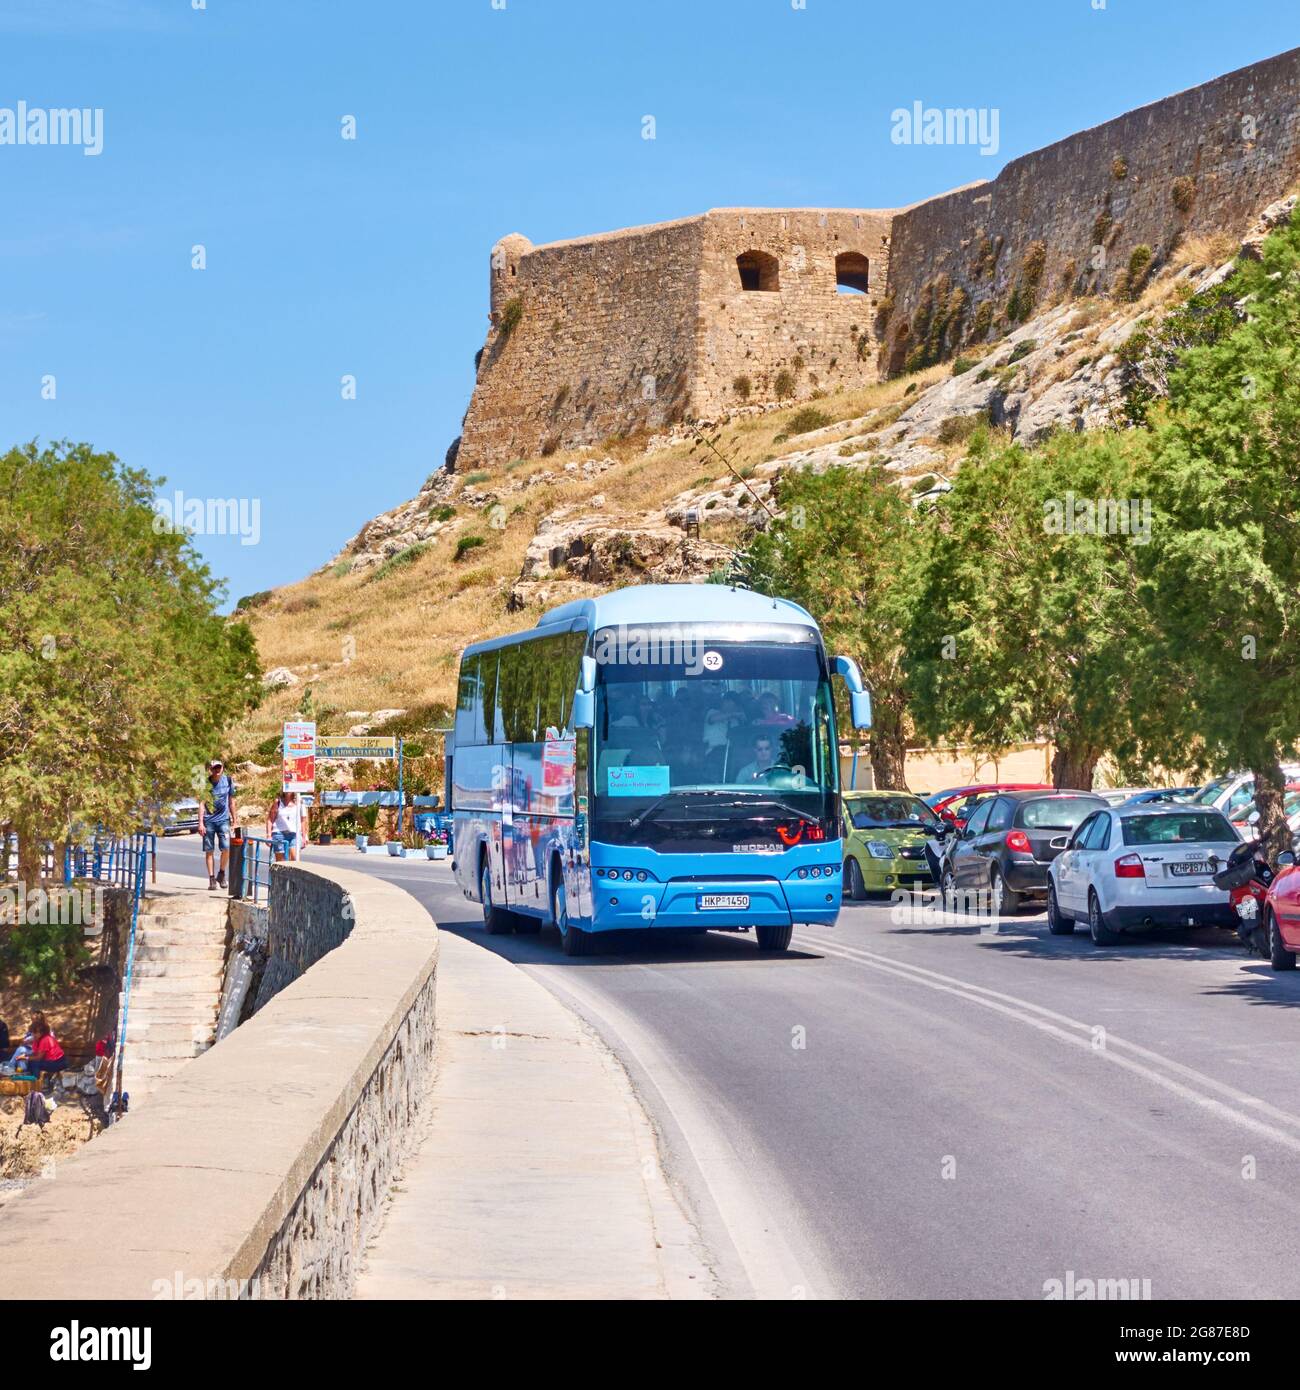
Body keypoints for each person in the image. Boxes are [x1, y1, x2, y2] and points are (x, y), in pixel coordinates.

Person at [199, 759, 238, 891]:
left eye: (219, 767)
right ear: (211, 769)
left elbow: (232, 802)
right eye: (215, 768)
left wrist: (235, 821)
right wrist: (200, 823)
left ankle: (221, 874)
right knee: (209, 850)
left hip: (223, 820)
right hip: (209, 821)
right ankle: (211, 879)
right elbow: (202, 804)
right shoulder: (206, 784)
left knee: (226, 848)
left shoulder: (228, 781)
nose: (217, 770)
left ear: (222, 768)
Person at [267, 789, 308, 862]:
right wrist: (269, 835)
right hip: (279, 833)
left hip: (294, 834)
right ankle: (281, 873)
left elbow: (303, 820)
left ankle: (293, 873)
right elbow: (270, 820)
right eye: (287, 788)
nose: (288, 791)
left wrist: (304, 836)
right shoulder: (278, 802)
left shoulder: (300, 802)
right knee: (281, 862)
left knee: (294, 858)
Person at [26, 1015, 65, 1090]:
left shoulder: (45, 1040)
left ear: (42, 1032)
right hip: (50, 1060)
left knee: (35, 1062)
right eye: (33, 1033)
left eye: (35, 1033)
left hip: (58, 1062)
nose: (33, 1035)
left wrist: (27, 1057)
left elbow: (39, 1057)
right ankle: (32, 1080)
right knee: (31, 1061)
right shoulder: (37, 1040)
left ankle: (37, 1083)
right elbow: (35, 1053)